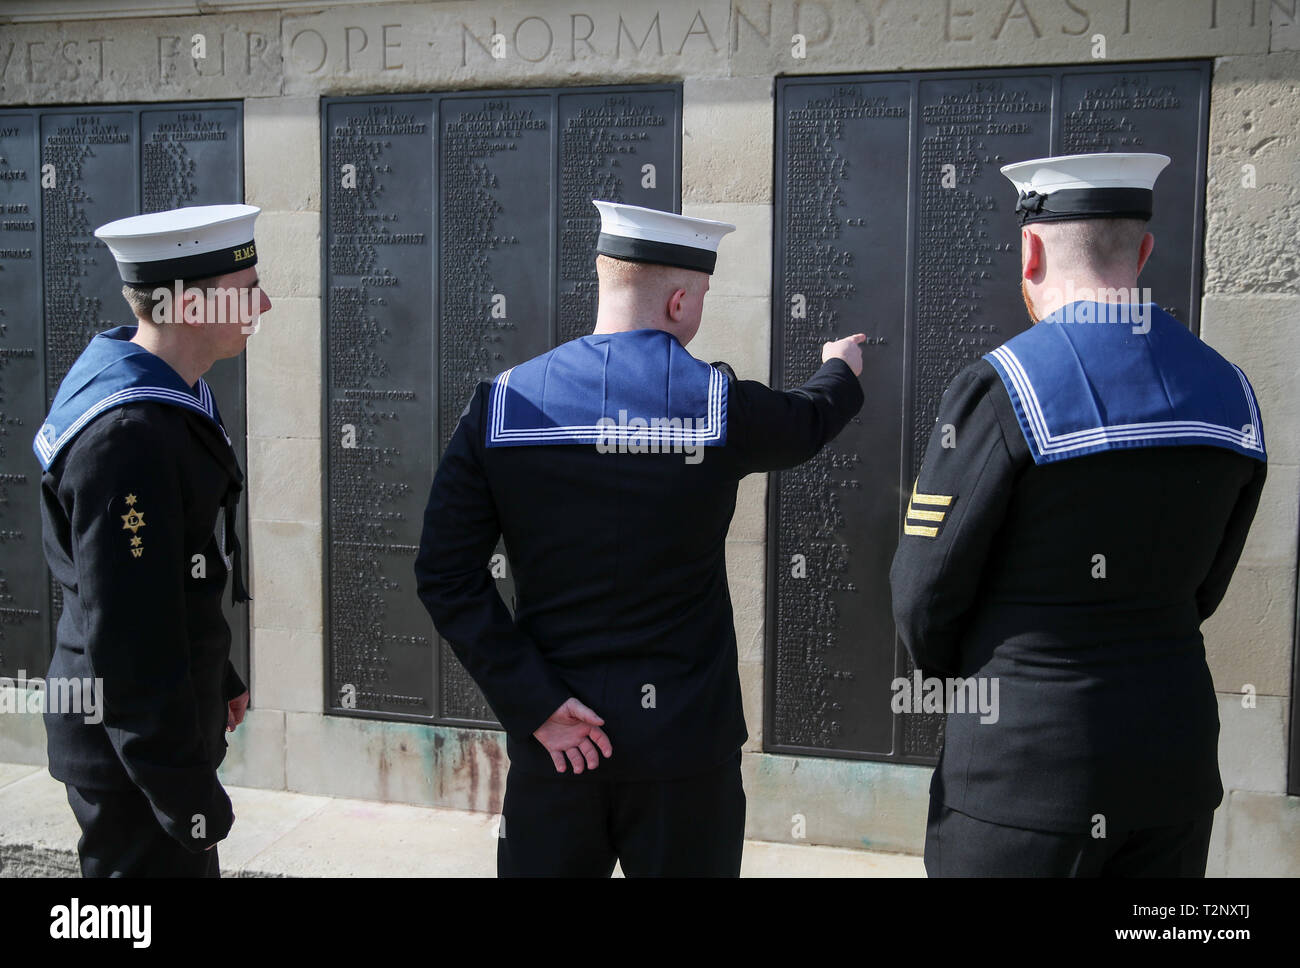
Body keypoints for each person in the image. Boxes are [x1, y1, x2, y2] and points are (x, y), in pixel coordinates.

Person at [416, 200, 866, 876]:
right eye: (705, 296)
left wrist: (534, 704)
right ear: (680, 300)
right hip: (685, 752)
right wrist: (842, 365)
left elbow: (445, 574)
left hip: (558, 746)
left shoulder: (501, 405)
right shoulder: (719, 404)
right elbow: (810, 419)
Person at [890, 153, 1267, 877]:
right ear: (1145, 250)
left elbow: (924, 595)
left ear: (1031, 250)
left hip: (1026, 772)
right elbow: (1206, 587)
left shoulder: (1003, 387)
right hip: (1175, 766)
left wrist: (969, 677)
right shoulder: (1230, 390)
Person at [36, 204, 269, 877]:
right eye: (248, 290)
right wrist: (185, 792)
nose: (267, 303)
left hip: (147, 734)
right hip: (131, 756)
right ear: (190, 307)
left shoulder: (162, 390)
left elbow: (166, 577)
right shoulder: (129, 433)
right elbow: (129, 634)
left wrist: (214, 668)